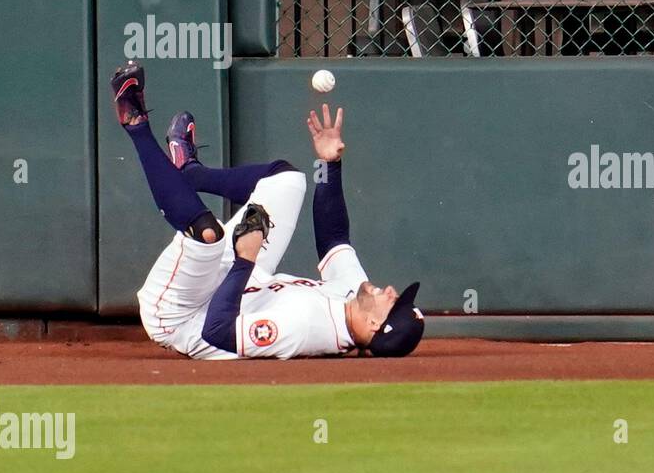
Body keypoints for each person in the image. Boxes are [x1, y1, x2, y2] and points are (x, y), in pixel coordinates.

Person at [109, 60, 424, 360]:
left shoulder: (306, 331)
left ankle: (135, 121)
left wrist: (245, 259)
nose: (392, 291)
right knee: (287, 180)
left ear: (373, 326)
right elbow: (334, 239)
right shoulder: (353, 295)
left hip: (185, 314)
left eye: (394, 303)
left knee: (208, 235)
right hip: (240, 279)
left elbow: (217, 332)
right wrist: (329, 163)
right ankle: (191, 174)